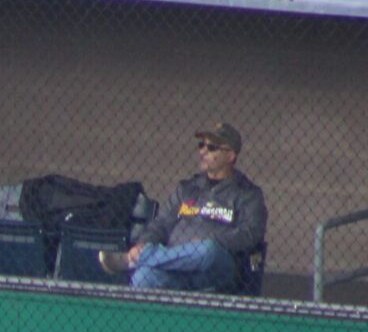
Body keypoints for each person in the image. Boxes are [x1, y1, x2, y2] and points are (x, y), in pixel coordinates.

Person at [101, 124, 265, 293]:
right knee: (143, 276)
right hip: (177, 264)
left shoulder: (247, 193)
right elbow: (162, 224)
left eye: (212, 147)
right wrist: (144, 243)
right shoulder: (187, 188)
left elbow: (251, 233)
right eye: (202, 145)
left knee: (207, 249)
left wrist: (214, 241)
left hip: (215, 266)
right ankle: (143, 258)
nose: (203, 152)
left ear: (230, 155)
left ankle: (135, 260)